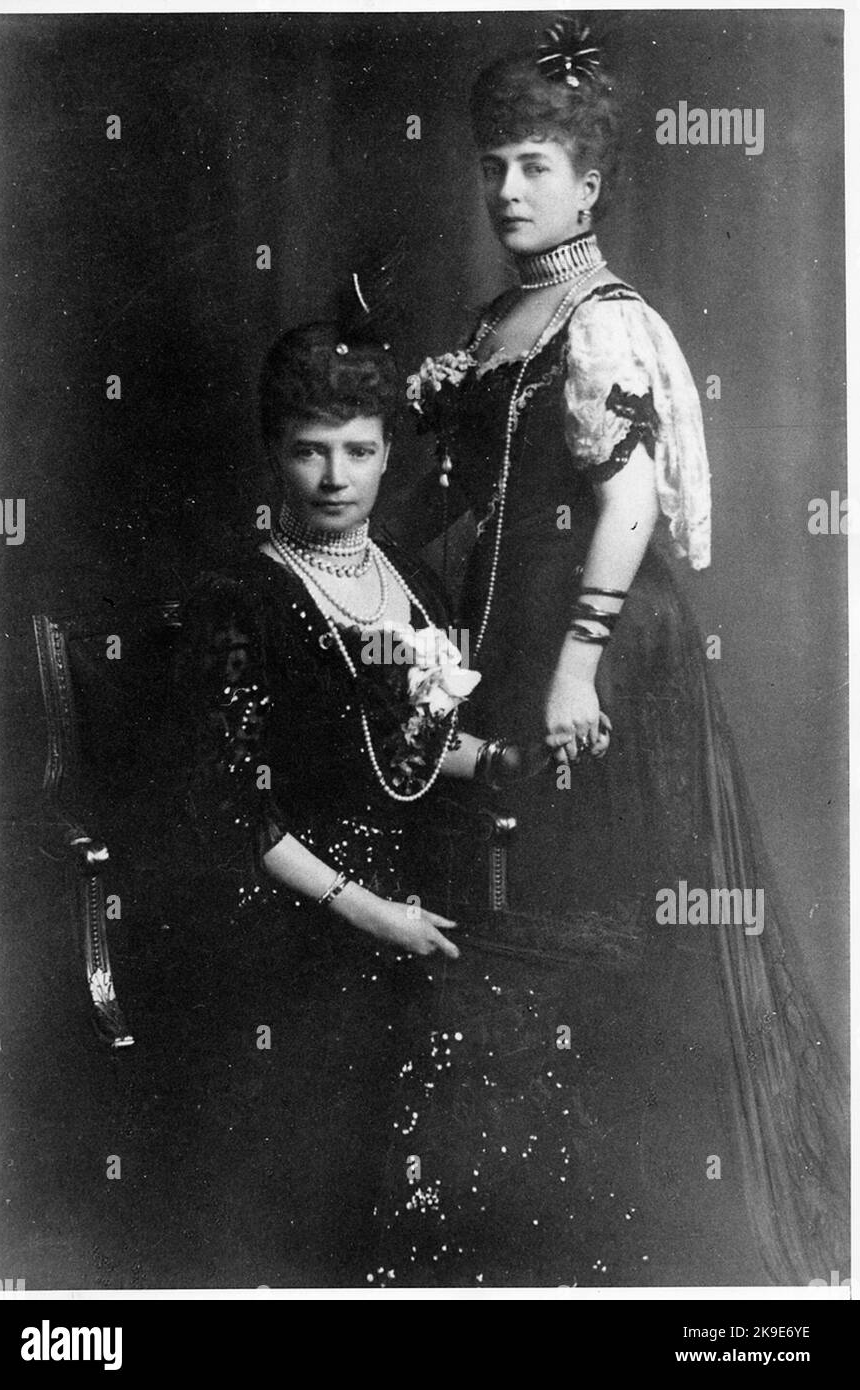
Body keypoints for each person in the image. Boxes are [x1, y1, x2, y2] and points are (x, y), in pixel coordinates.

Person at [406, 21, 848, 1285]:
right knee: (517, 917)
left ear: (590, 183)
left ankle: (649, 1229)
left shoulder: (604, 320)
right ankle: (540, 1222)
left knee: (609, 922)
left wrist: (575, 665)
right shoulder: (508, 312)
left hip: (602, 648)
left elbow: (632, 502)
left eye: (535, 166)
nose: (507, 191)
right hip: (521, 632)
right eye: (495, 166)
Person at [178, 321, 554, 1284]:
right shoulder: (243, 602)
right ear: (275, 453)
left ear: (389, 450)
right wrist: (366, 909)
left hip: (421, 874)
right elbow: (236, 809)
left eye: (358, 448)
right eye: (309, 449)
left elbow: (407, 747)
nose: (335, 475)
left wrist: (505, 759)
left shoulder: (407, 579)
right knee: (381, 1134)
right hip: (304, 909)